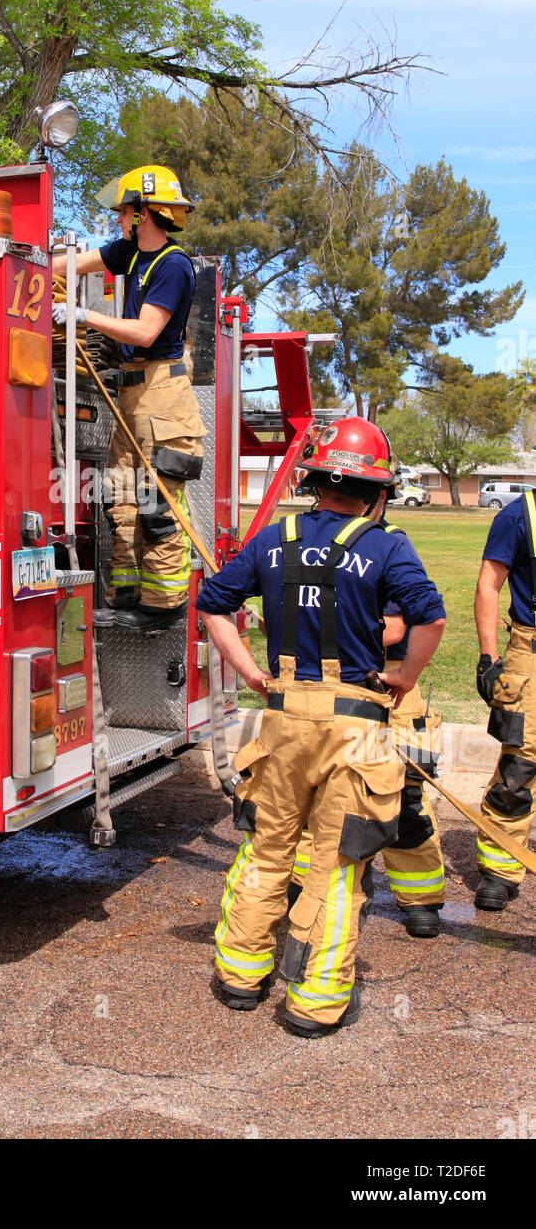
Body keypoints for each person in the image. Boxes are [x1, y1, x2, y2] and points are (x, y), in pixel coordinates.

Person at [196, 417, 446, 1037]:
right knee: (336, 868)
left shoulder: (272, 539)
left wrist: (252, 672)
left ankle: (238, 976)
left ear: (316, 482)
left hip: (279, 722)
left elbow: (212, 605)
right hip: (356, 729)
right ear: (376, 492)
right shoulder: (386, 544)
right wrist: (404, 680)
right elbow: (430, 619)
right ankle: (315, 1003)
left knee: (266, 849)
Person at [51, 164, 205, 632]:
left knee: (157, 506)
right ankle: (127, 597)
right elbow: (69, 264)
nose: (117, 220)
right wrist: (25, 259)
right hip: (133, 395)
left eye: (123, 212)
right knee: (121, 496)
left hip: (163, 395)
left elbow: (144, 332)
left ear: (144, 214)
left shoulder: (173, 265)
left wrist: (82, 314)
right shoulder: (128, 254)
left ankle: (161, 609)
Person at [291, 601, 447, 939]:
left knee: (403, 799)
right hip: (329, 681)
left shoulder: (382, 550)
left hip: (387, 684)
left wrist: (314, 628)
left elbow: (393, 629)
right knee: (320, 795)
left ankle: (421, 900)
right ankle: (304, 888)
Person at [473, 487, 536, 910]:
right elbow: (489, 584)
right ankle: (500, 868)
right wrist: (489, 656)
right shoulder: (519, 516)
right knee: (520, 764)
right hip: (529, 654)